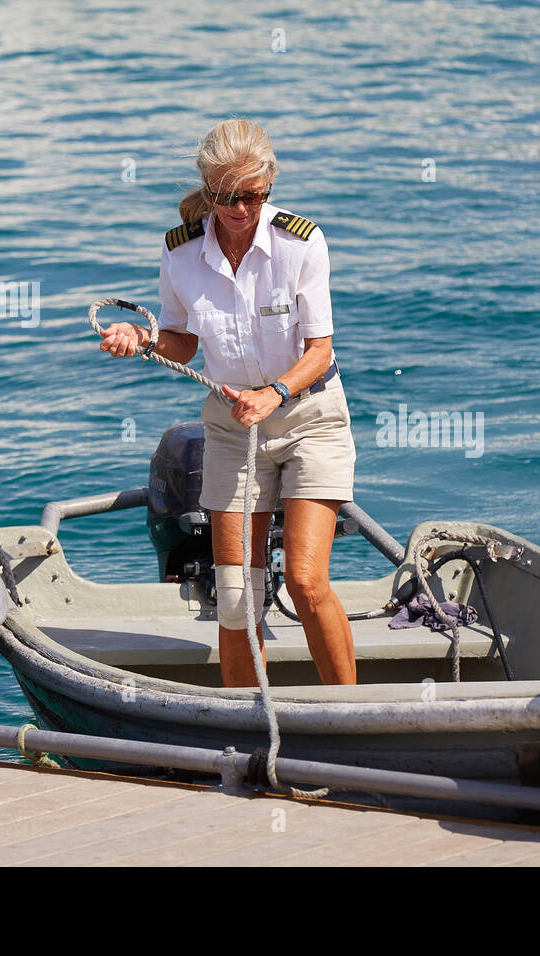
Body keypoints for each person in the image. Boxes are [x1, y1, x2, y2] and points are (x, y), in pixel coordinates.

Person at [97, 118, 357, 688]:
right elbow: (182, 339)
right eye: (225, 196)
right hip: (234, 430)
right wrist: (141, 340)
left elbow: (320, 352)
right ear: (207, 190)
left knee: (308, 584)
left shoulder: (301, 243)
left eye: (253, 195)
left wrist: (275, 394)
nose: (240, 208)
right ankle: (245, 727)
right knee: (238, 598)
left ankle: (352, 716)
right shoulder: (181, 253)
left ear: (269, 187)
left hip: (311, 418)